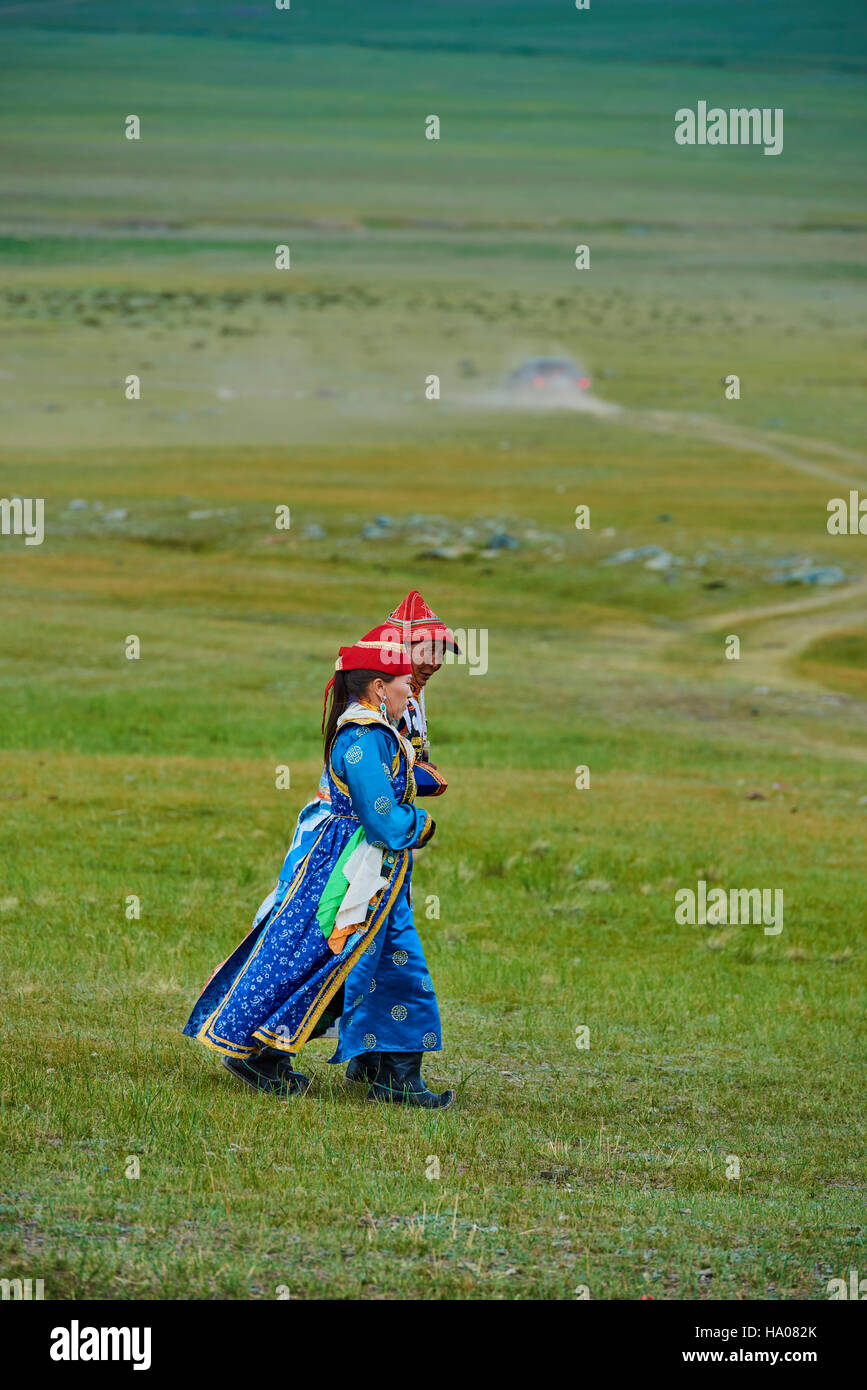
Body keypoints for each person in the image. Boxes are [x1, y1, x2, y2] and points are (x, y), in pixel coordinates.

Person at [182, 634, 454, 1109]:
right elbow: (382, 815)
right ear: (376, 687)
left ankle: (384, 1072)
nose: (411, 694)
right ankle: (267, 1053)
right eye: (405, 684)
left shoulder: (372, 732)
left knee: (376, 963)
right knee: (332, 959)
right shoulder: (362, 737)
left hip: (371, 873)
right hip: (351, 871)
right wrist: (421, 825)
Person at [251, 591, 458, 955]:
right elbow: (372, 768)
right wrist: (415, 799)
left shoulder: (407, 693)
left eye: (440, 653)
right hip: (346, 831)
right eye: (426, 651)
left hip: (372, 828)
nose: (434, 663)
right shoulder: (371, 705)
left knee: (366, 933)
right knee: (305, 926)